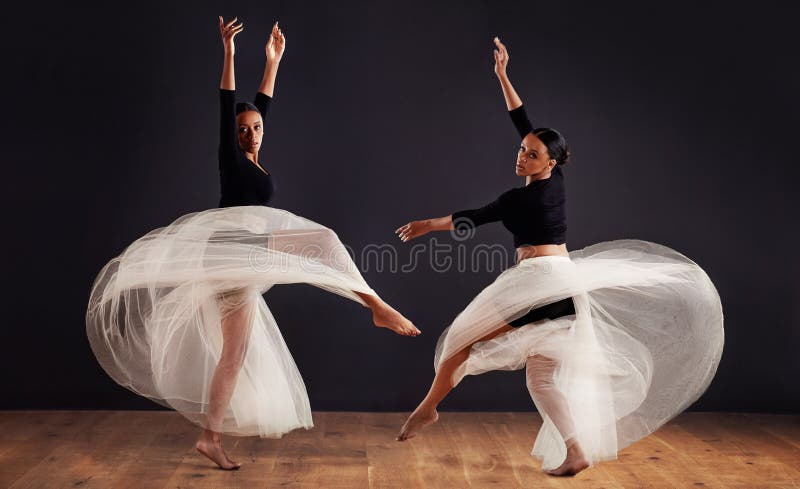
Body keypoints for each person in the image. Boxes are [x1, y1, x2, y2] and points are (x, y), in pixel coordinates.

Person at [86, 17, 420, 471]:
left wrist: (273, 60)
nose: (250, 134)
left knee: (237, 349)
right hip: (230, 253)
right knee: (322, 243)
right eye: (243, 129)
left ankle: (211, 437)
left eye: (257, 128)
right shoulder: (231, 156)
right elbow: (229, 103)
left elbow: (262, 103)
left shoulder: (257, 153)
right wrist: (229, 52)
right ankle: (376, 306)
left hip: (251, 250)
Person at [394, 37, 724, 477]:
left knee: (458, 342)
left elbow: (473, 216)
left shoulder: (518, 200)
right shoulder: (555, 179)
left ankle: (429, 408)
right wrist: (503, 77)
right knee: (541, 378)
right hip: (563, 283)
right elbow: (523, 122)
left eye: (532, 155)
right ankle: (576, 450)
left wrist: (424, 225)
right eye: (522, 151)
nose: (523, 157)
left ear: (550, 162)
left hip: (536, 283)